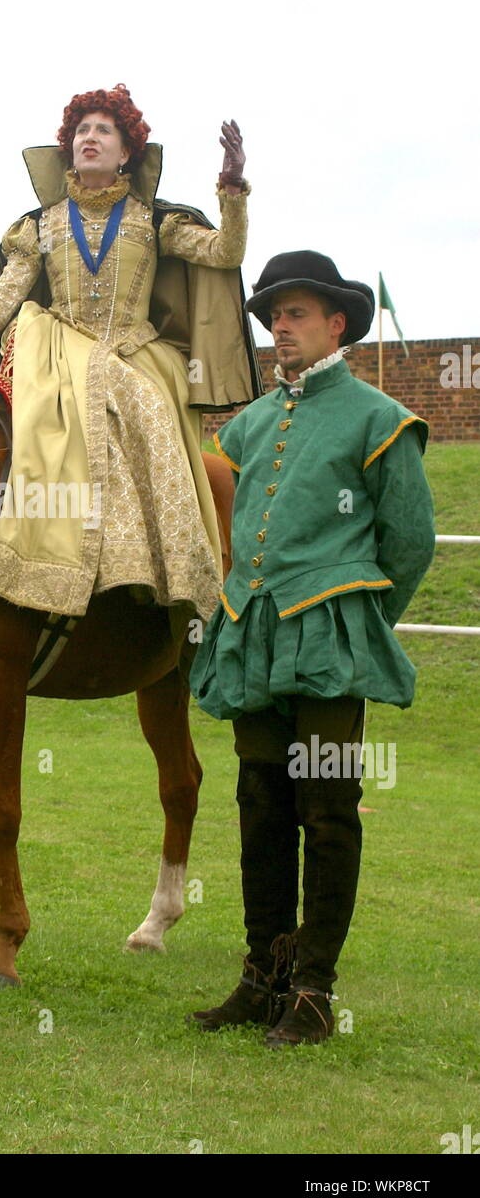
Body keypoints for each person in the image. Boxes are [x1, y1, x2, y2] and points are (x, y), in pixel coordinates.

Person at [188, 251, 436, 1046]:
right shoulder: (250, 426)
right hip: (254, 637)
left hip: (329, 641)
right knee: (261, 806)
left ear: (337, 324)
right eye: (273, 317)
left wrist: (359, 624)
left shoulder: (376, 416)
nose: (280, 329)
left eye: (296, 314)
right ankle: (263, 977)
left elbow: (409, 543)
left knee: (326, 811)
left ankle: (315, 994)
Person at [0, 84, 260, 627]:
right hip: (59, 347)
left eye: (103, 130)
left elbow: (226, 252)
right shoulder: (40, 225)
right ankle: (33, 556)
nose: (89, 138)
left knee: (153, 413)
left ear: (126, 151)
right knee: (44, 428)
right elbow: (9, 290)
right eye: (81, 130)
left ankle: (156, 570)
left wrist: (232, 188)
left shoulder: (156, 220)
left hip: (134, 351)